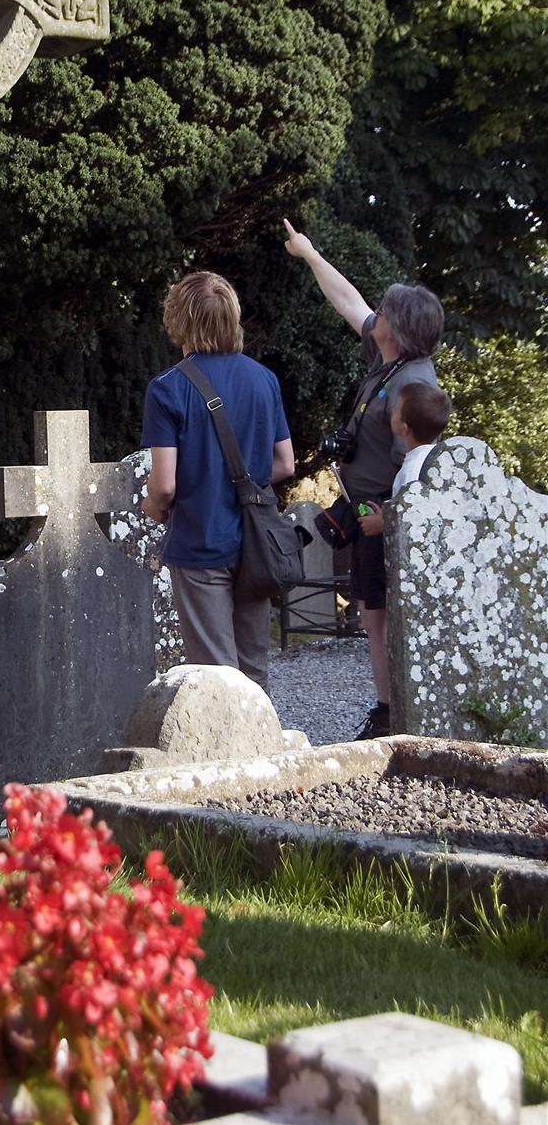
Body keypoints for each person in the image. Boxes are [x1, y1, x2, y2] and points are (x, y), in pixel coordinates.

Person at [282, 218, 445, 738]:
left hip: (380, 514)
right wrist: (309, 254)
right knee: (373, 612)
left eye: (385, 311)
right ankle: (388, 707)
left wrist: (388, 521)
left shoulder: (412, 385)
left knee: (380, 617)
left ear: (394, 329)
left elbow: (425, 472)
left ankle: (390, 714)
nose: (374, 313)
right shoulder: (390, 359)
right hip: (366, 506)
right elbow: (348, 300)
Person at [140, 271, 295, 692]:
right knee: (254, 671)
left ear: (180, 321)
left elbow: (165, 486)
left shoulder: (167, 389)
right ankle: (263, 753)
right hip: (257, 543)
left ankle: (229, 757)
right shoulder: (264, 379)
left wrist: (152, 508)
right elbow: (285, 464)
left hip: (200, 541)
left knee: (217, 679)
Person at [355, 382, 453, 535]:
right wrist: (387, 515)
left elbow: (414, 521)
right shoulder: (437, 461)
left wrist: (382, 524)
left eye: (395, 410)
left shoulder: (412, 471)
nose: (391, 411)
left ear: (404, 428)